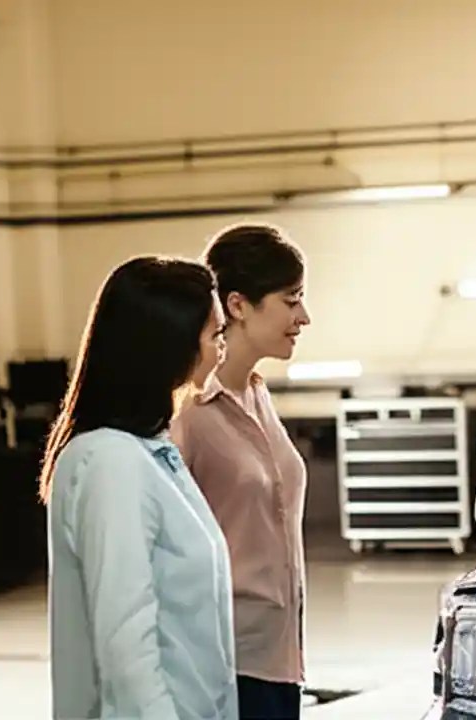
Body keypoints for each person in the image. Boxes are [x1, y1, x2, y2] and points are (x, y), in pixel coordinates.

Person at [41, 256, 236, 719]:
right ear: (169, 347)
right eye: (215, 335)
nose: (222, 349)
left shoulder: (147, 448)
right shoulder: (110, 462)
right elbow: (126, 643)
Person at [171, 222, 312, 720]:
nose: (304, 317)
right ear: (237, 305)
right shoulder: (186, 413)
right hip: (221, 661)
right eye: (291, 300)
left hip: (280, 654)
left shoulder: (259, 395)